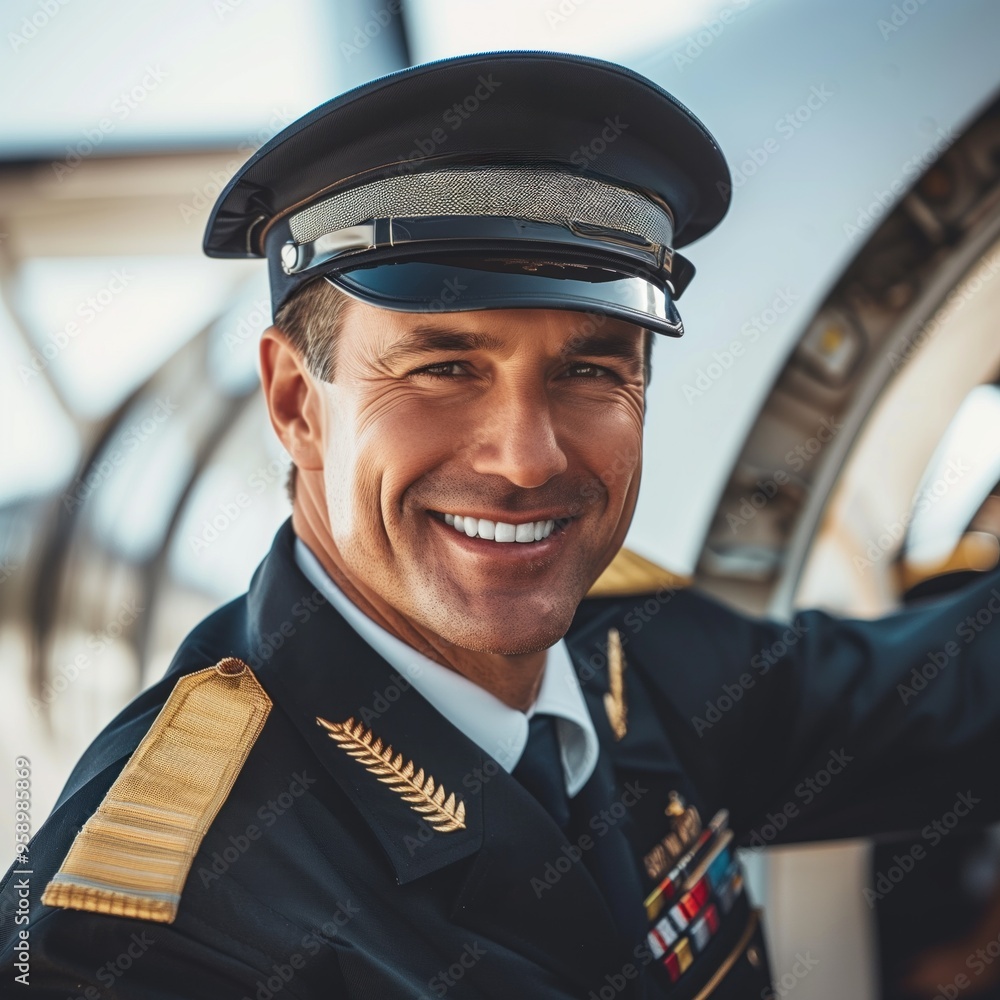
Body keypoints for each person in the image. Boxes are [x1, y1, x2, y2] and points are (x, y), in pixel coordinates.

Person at [3, 49, 1000, 999]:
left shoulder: (634, 652)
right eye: (444, 367)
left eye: (591, 369)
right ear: (297, 404)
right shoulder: (149, 938)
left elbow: (953, 695)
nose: (528, 460)